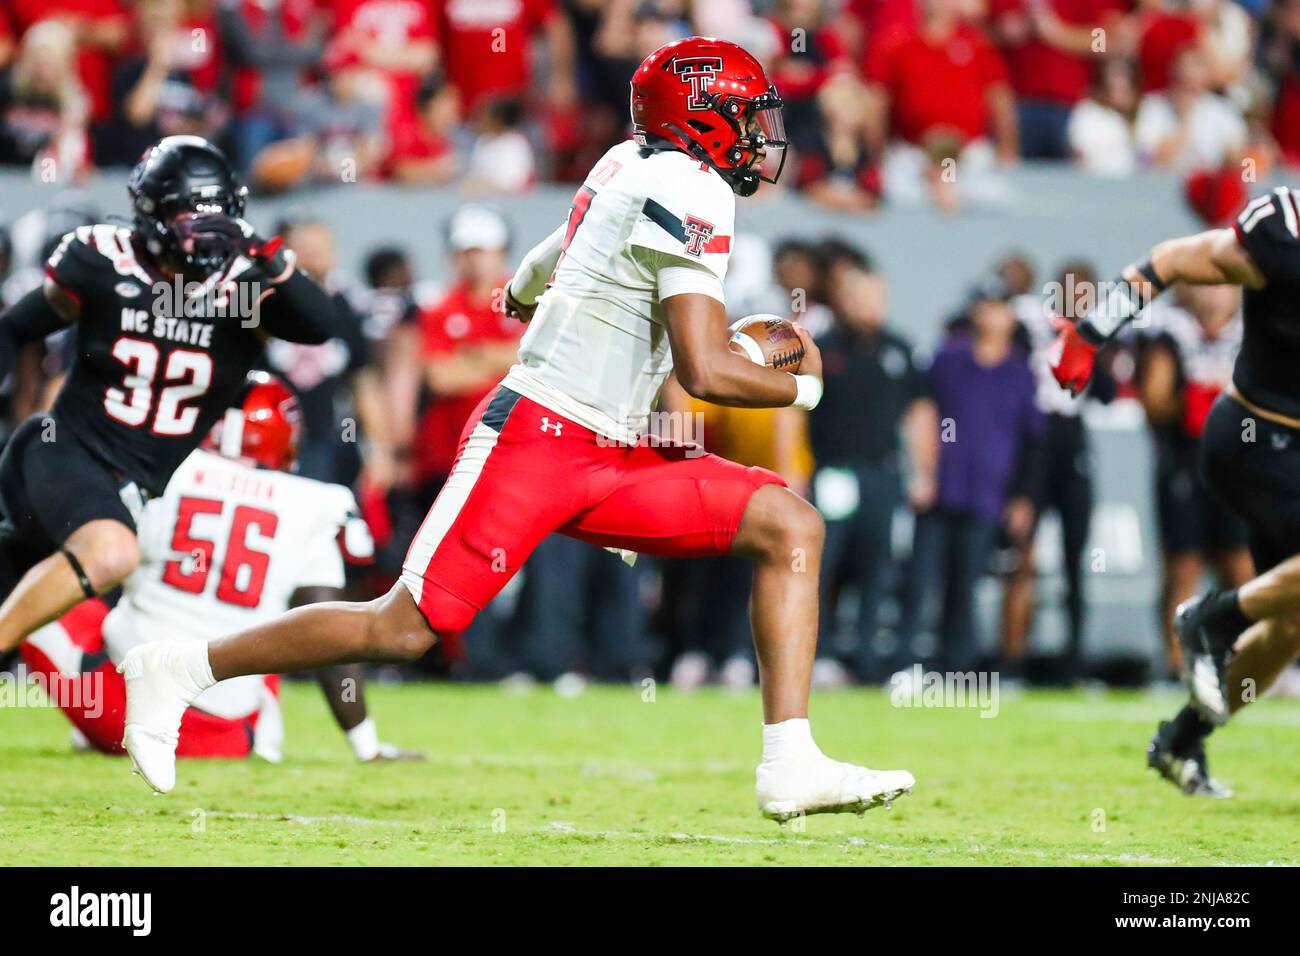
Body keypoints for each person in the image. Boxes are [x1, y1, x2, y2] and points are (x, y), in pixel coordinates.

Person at [118, 37, 916, 821]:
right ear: (702, 119)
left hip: (610, 447)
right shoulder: (693, 186)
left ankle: (790, 762)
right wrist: (802, 388)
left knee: (788, 523)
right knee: (400, 628)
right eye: (744, 120)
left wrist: (522, 297)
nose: (758, 139)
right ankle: (181, 669)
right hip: (539, 438)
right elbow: (704, 370)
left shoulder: (624, 163)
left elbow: (545, 260)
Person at [0, 135, 339, 658]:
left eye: (220, 217)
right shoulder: (104, 261)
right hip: (63, 453)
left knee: (19, 570)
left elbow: (321, 325)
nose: (206, 234)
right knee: (111, 553)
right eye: (191, 219)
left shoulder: (243, 285)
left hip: (138, 488)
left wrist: (260, 247)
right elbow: (16, 328)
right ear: (154, 216)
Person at [19, 372, 417, 763]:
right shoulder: (313, 502)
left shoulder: (164, 470)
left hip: (119, 710)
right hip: (224, 736)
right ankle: (265, 734)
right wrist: (367, 746)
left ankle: (95, 729)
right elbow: (333, 633)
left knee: (35, 595)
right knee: (281, 636)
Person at [1050, 185, 1300, 796]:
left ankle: (1182, 738)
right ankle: (1212, 618)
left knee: (1289, 625)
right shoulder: (1286, 238)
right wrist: (1089, 333)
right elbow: (1171, 260)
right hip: (1251, 438)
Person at [807, 263, 935, 682]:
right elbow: (793, 412)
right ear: (843, 300)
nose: (869, 307)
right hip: (834, 472)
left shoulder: (901, 351)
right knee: (823, 566)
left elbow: (919, 414)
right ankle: (818, 654)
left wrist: (923, 473)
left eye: (876, 298)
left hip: (883, 474)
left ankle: (867, 657)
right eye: (861, 298)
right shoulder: (821, 347)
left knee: (877, 568)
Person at [1133, 284, 1251, 680]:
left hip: (1238, 466)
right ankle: (1176, 665)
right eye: (1208, 285)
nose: (1215, 296)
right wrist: (1194, 400)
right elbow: (1153, 399)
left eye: (1224, 286)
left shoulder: (1254, 328)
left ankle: (1245, 664)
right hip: (1185, 463)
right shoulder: (1171, 330)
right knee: (1184, 565)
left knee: (1240, 566)